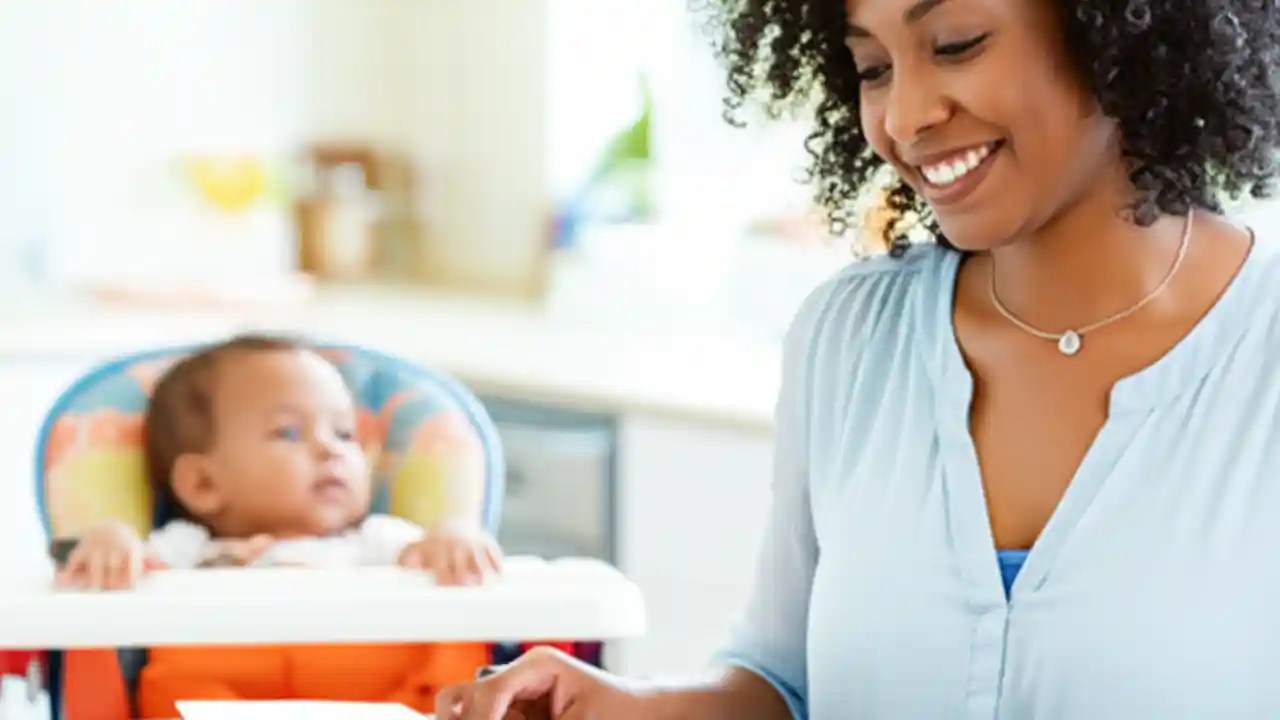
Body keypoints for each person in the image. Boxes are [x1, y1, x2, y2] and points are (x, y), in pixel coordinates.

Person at [436, 0, 1280, 718]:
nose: (906, 118)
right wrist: (626, 705)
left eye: (955, 45)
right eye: (873, 67)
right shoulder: (851, 339)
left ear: (1113, 30)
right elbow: (781, 683)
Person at [57, 335, 503, 716]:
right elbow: (127, 568)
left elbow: (436, 555)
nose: (330, 449)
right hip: (217, 705)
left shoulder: (377, 542)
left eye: (345, 434)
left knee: (452, 633)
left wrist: (453, 536)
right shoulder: (189, 550)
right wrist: (109, 539)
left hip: (381, 704)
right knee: (167, 677)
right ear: (203, 482)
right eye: (289, 433)